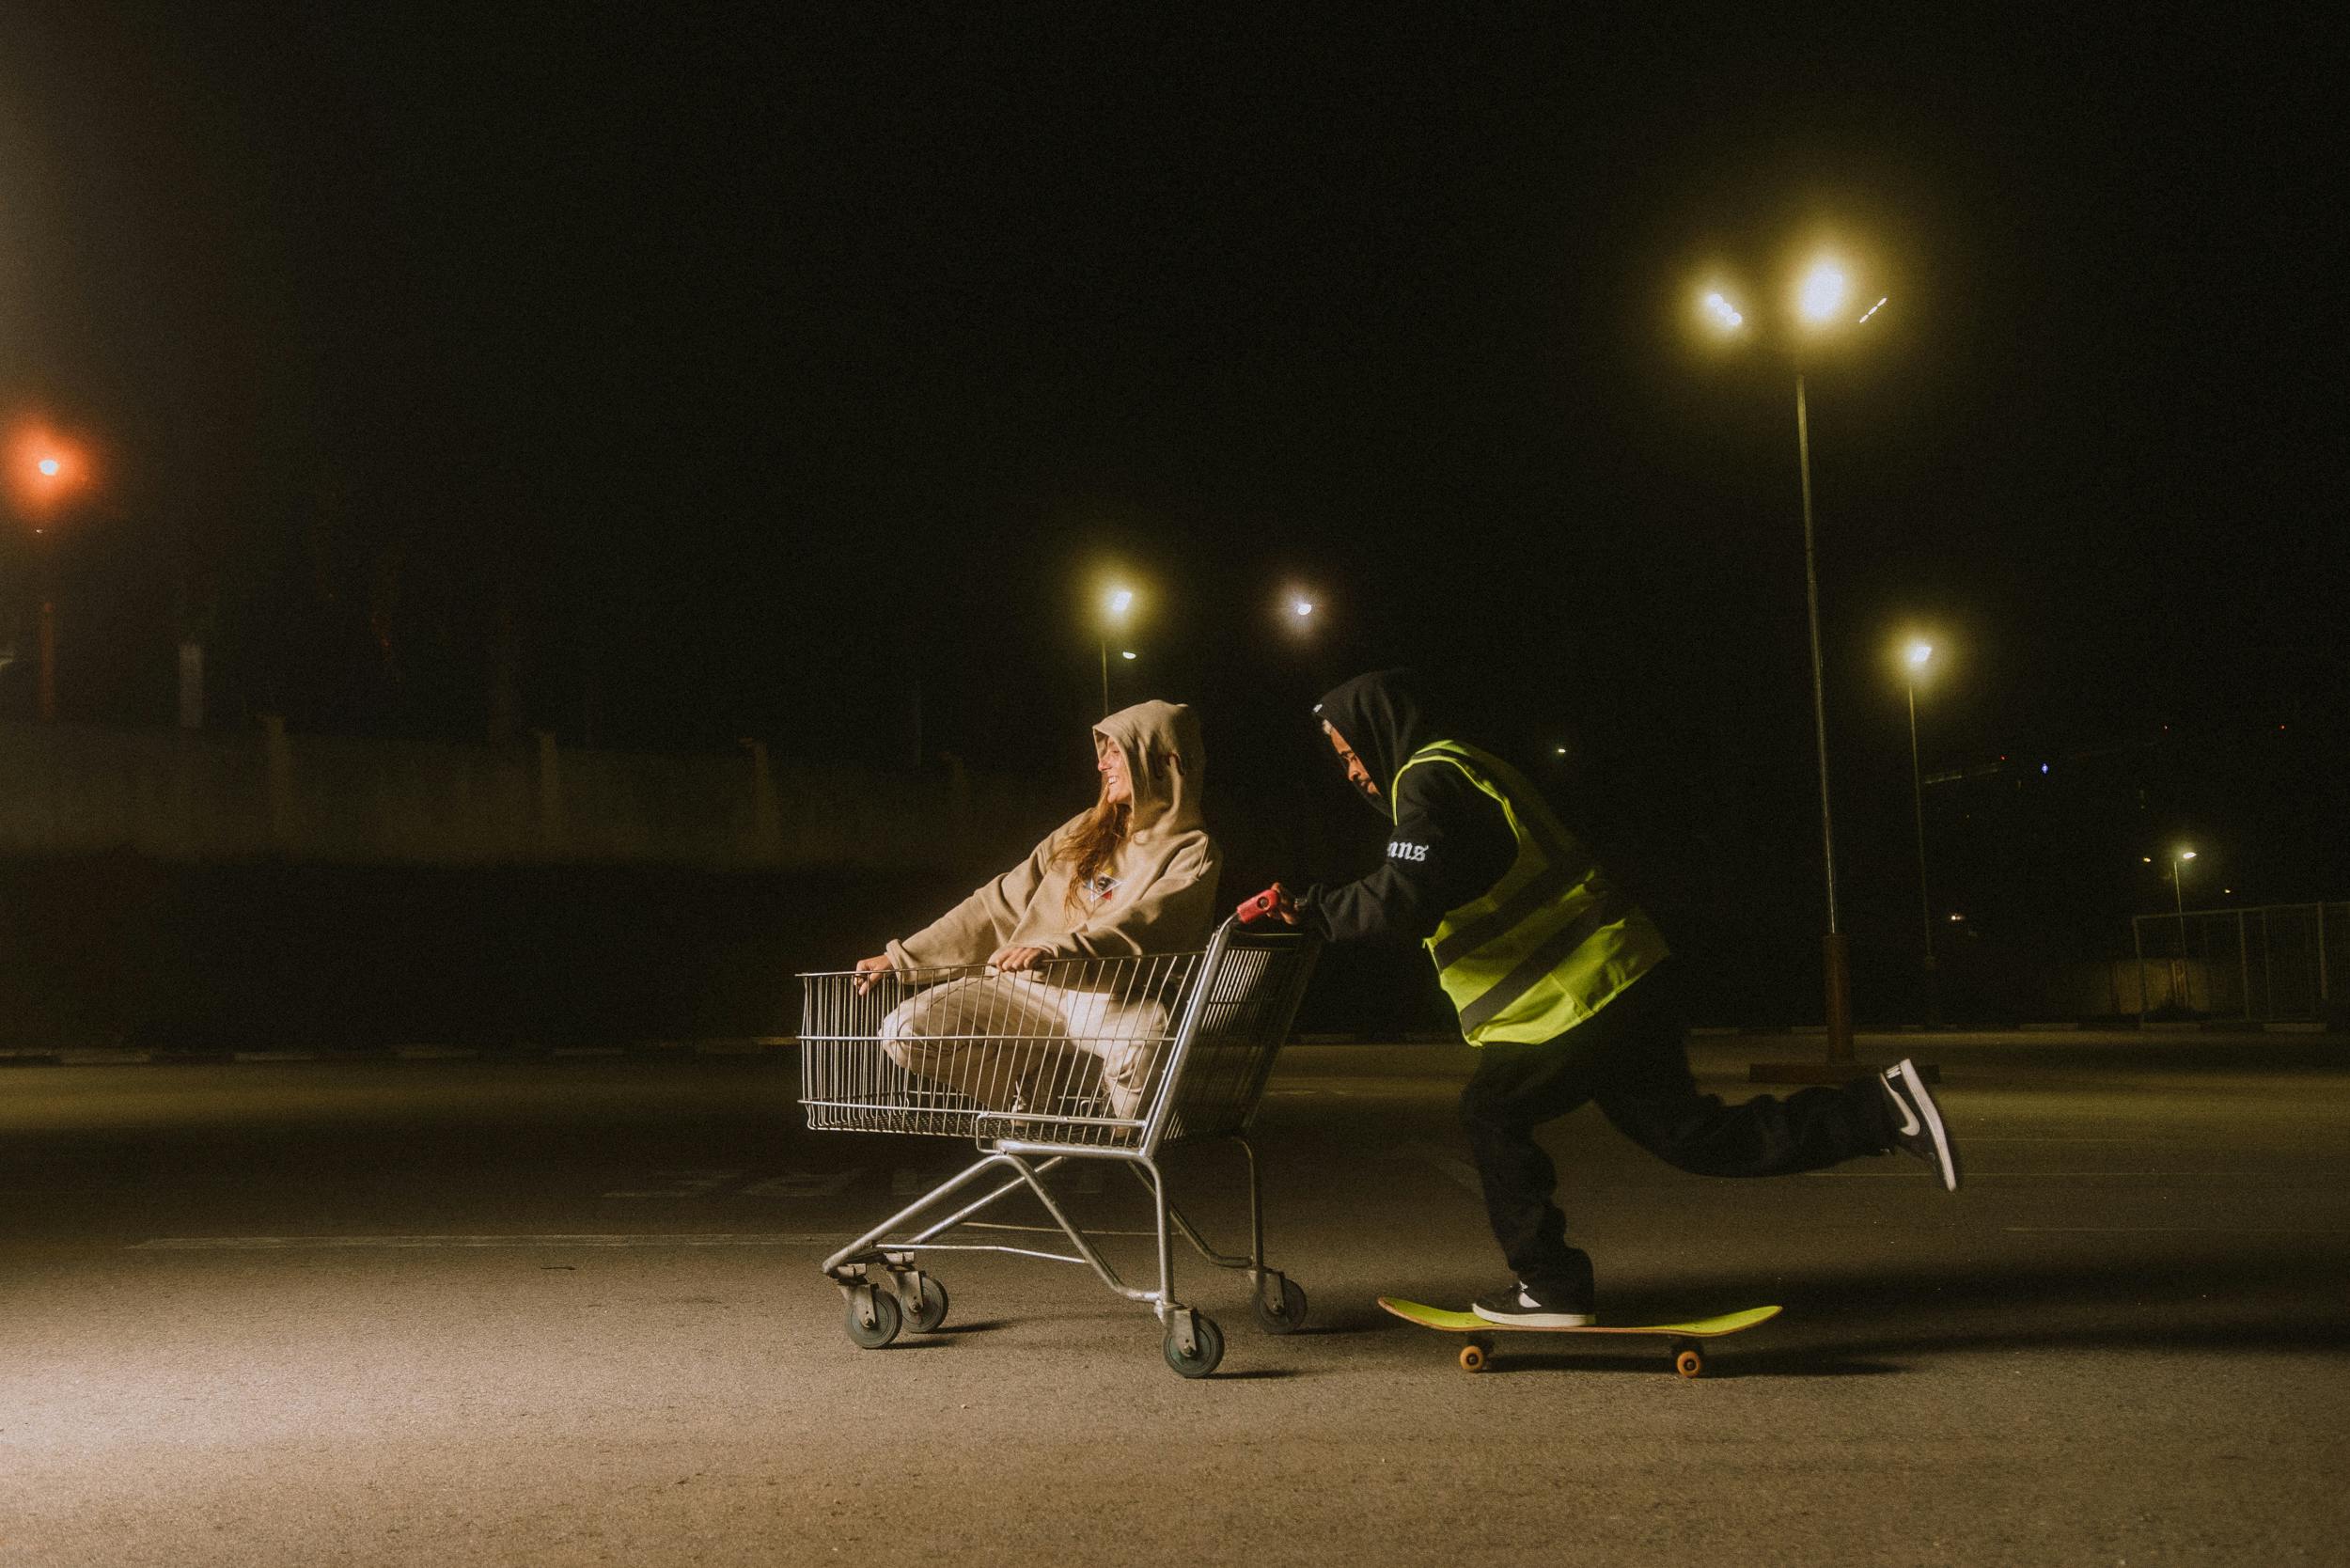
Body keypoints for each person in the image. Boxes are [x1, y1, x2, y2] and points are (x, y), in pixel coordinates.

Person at [1252, 668, 1958, 1326]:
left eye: (1350, 750)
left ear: (1380, 729)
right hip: (1621, 975)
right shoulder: (1465, 768)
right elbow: (1454, 881)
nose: (1352, 769)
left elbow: (1408, 892)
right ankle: (1880, 1109)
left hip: (1579, 995)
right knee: (1696, 1137)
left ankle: (1550, 1283)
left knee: (1492, 1111)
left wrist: (1316, 911)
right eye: (1342, 759)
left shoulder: (1428, 779)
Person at [855, 699, 1220, 1121]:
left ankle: (1114, 1135)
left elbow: (1147, 924)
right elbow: (999, 903)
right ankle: (1032, 1082)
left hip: (1112, 995)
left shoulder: (1192, 851)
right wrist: (903, 957)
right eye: (1103, 753)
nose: (1102, 764)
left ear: (1161, 761)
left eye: (1116, 752)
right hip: (1029, 987)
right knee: (906, 1030)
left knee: (1147, 1040)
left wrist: (1058, 950)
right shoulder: (1082, 829)